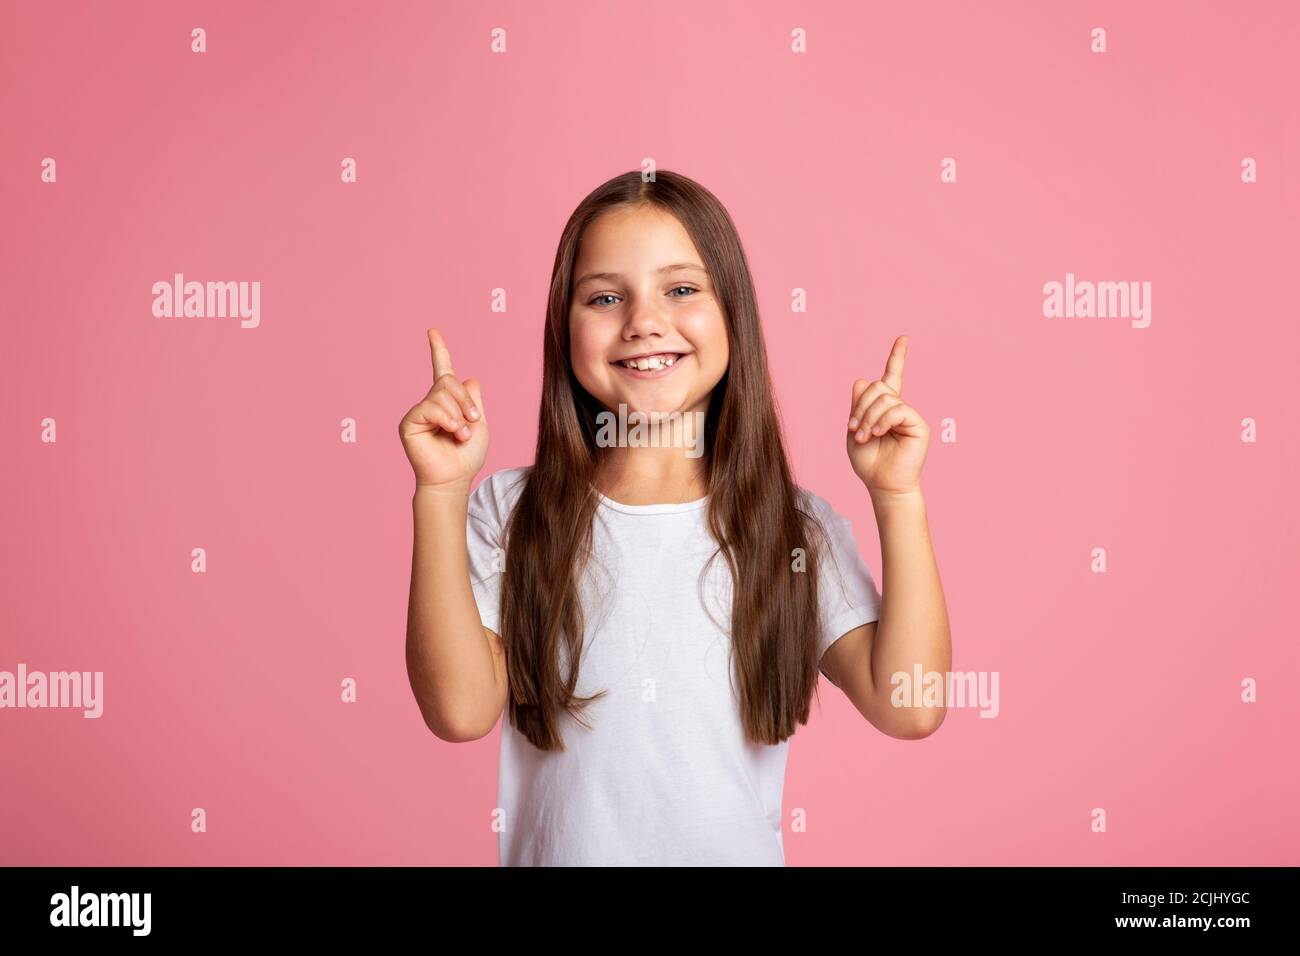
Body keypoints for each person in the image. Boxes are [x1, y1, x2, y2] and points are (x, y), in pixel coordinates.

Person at [399, 169, 951, 866]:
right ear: (563, 328)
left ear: (732, 314)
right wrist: (441, 493)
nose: (644, 321)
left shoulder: (793, 531)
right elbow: (458, 712)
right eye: (604, 297)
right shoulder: (510, 513)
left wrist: (898, 499)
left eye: (682, 289)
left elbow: (911, 705)